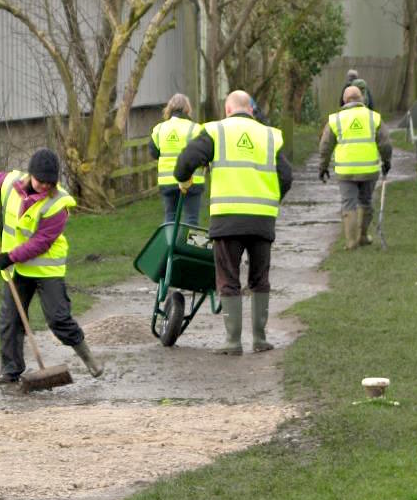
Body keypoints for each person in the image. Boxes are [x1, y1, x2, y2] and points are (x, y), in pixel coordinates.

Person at [174, 90, 293, 355]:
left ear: (227, 110)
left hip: (227, 221)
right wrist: (271, 201)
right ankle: (260, 339)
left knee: (228, 278)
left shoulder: (216, 131)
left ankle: (233, 341)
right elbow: (286, 176)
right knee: (260, 278)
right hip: (262, 220)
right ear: (251, 109)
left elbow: (185, 162)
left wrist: (184, 179)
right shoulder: (270, 135)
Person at [0, 149, 103, 383]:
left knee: (58, 318)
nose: (44, 186)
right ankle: (11, 371)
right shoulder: (12, 183)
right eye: (40, 180)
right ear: (31, 175)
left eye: (49, 183)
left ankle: (88, 358)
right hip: (16, 269)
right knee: (11, 320)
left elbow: (41, 242)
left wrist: (11, 256)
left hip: (46, 268)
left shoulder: (58, 204)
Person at [318, 85, 393, 250]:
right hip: (369, 170)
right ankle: (363, 236)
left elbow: (325, 146)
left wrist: (323, 167)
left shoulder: (335, 120)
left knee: (348, 204)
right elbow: (385, 144)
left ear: (344, 100)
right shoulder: (374, 118)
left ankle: (351, 242)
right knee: (365, 201)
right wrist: (386, 161)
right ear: (362, 99)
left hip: (345, 171)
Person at [149, 94, 204, 224]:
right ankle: (188, 244)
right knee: (191, 219)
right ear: (187, 109)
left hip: (167, 181)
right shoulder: (196, 128)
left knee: (170, 217)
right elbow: (202, 153)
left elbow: (154, 152)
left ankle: (169, 244)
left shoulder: (159, 129)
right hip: (192, 180)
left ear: (169, 108)